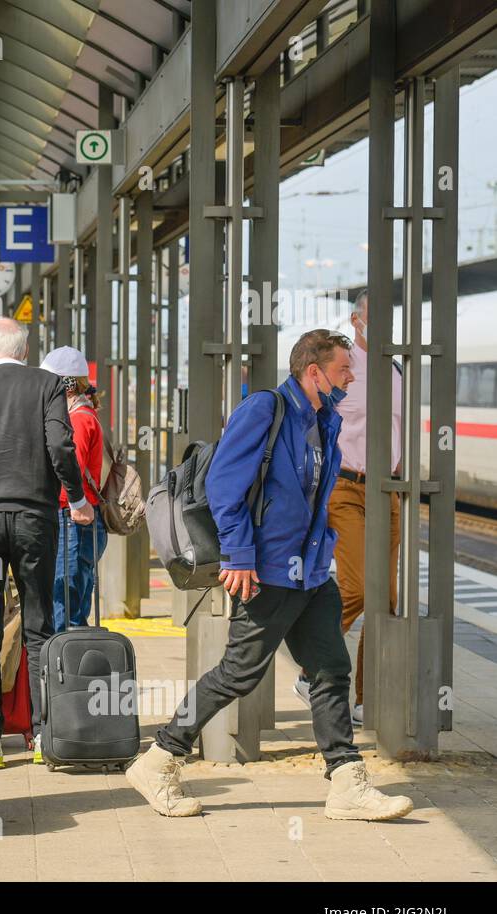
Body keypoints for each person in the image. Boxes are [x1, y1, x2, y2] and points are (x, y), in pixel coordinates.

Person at [125, 329, 413, 821]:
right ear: (313, 371)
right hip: (267, 571)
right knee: (239, 673)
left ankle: (346, 781)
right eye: (344, 369)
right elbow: (223, 486)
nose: (350, 377)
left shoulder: (324, 421)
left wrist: (322, 551)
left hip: (310, 573)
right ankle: (159, 759)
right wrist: (239, 557)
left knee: (330, 672)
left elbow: (313, 497)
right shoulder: (266, 409)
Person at [0, 318, 87, 770]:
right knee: (38, 626)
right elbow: (60, 447)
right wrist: (79, 499)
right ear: (25, 350)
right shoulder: (46, 386)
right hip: (34, 521)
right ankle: (43, 735)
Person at [295, 291, 400, 728]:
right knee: (357, 588)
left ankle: (365, 700)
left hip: (389, 490)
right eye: (376, 316)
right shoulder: (344, 369)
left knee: (388, 599)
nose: (385, 325)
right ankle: (308, 671)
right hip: (347, 487)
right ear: (357, 320)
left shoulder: (397, 368)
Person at [41, 347, 107, 629]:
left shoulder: (78, 420)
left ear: (65, 386)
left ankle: (64, 670)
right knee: (73, 602)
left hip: (72, 519)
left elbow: (71, 471)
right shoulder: (84, 414)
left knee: (64, 606)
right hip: (77, 521)